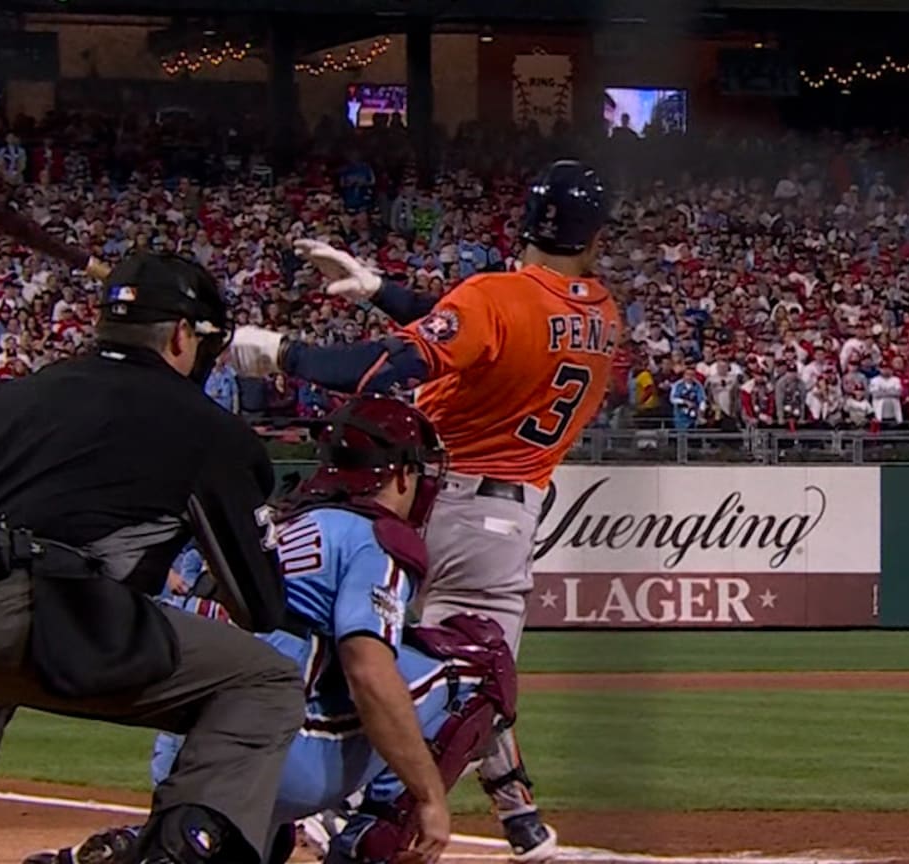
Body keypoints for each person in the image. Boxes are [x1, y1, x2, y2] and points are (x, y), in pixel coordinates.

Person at [0, 252, 304, 864]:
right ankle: (178, 853)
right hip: (44, 617)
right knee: (266, 681)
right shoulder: (209, 429)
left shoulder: (6, 396)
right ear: (181, 336)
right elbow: (256, 606)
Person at [226, 160, 622, 861]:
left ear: (525, 221)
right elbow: (486, 334)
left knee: (452, 679)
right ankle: (405, 816)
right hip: (493, 512)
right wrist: (382, 291)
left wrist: (286, 353)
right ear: (594, 236)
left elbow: (404, 360)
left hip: (437, 493)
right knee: (474, 680)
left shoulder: (495, 296)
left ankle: (501, 814)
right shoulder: (601, 313)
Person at [27, 396, 518, 864]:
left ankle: (160, 845)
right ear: (403, 473)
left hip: (184, 752)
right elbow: (368, 671)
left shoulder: (275, 522)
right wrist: (429, 794)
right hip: (279, 756)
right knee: (479, 661)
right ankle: (372, 844)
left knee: (257, 846)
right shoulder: (374, 537)